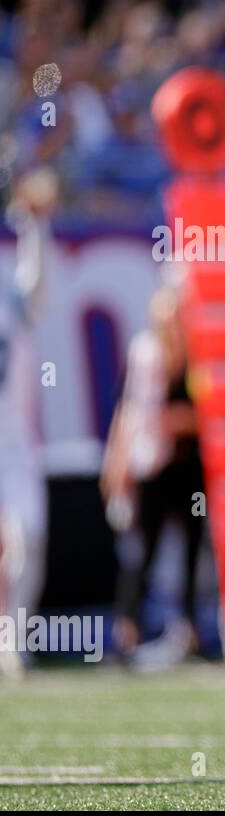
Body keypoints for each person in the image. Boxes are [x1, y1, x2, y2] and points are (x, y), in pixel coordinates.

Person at [102, 284, 206, 668]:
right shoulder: (146, 357)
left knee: (195, 551)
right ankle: (126, 635)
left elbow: (214, 414)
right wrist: (117, 461)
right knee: (141, 550)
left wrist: (183, 422)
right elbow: (127, 409)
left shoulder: (200, 360)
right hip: (153, 467)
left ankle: (191, 633)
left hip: (191, 467)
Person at [0, 169, 53, 680]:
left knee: (28, 535)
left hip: (13, 443)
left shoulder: (7, 294)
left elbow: (35, 288)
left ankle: (14, 637)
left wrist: (34, 224)